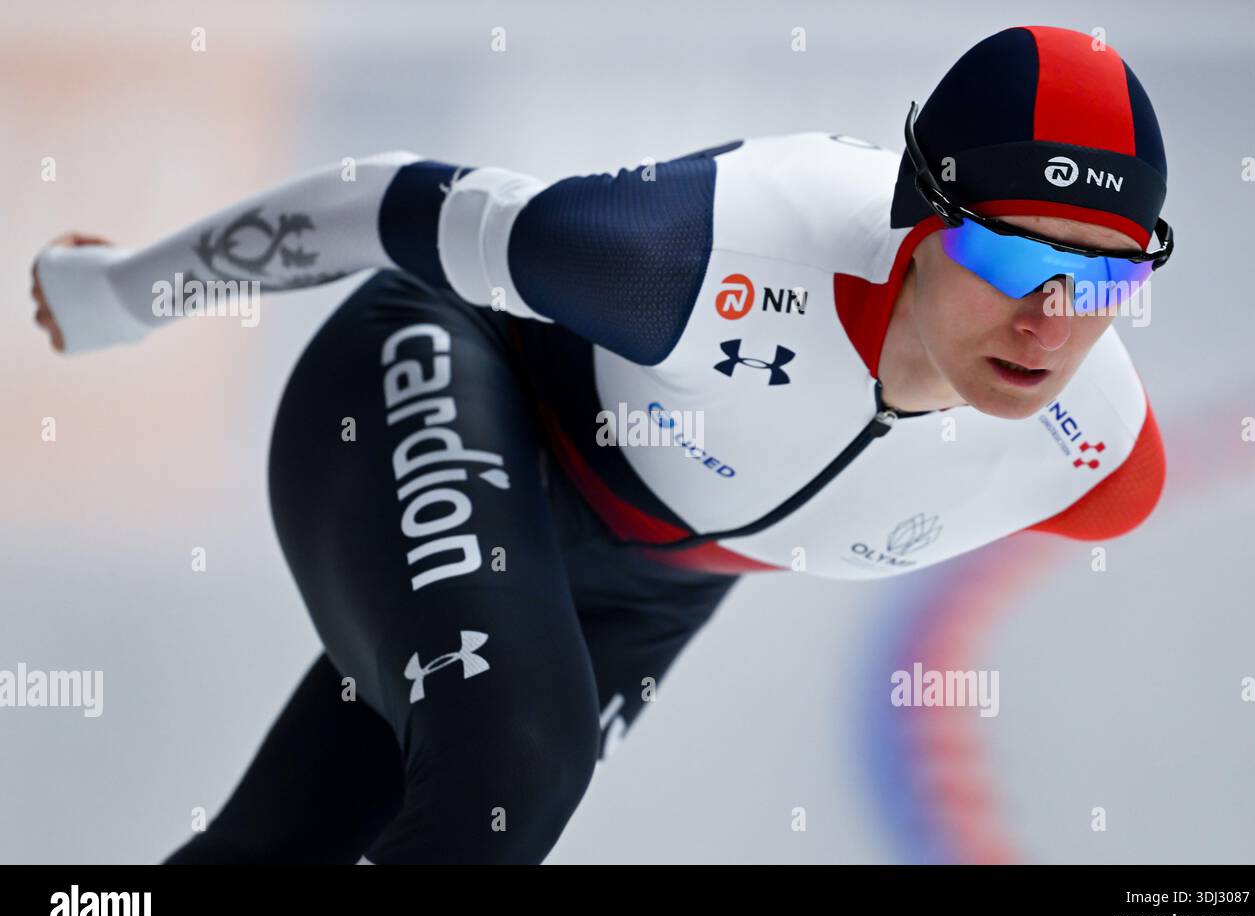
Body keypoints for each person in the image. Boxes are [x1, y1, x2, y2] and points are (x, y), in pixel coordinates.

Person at [30, 24, 1172, 863]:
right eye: (1018, 262)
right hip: (458, 382)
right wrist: (126, 291)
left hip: (647, 581)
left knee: (296, 845)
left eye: (1109, 273)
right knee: (509, 776)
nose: (1052, 320)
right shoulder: (695, 257)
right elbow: (392, 203)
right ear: (919, 215)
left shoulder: (1097, 459)